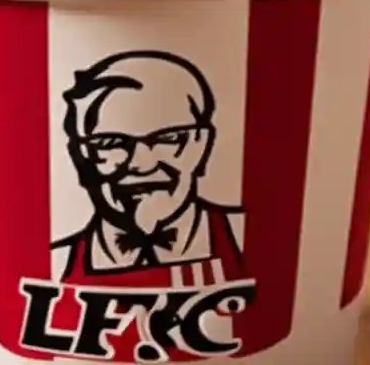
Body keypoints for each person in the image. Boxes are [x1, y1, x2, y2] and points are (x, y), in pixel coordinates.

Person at [52, 50, 245, 285]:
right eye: (111, 143)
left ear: (202, 146)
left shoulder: (251, 240)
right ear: (80, 156)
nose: (142, 164)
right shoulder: (55, 262)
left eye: (169, 139)